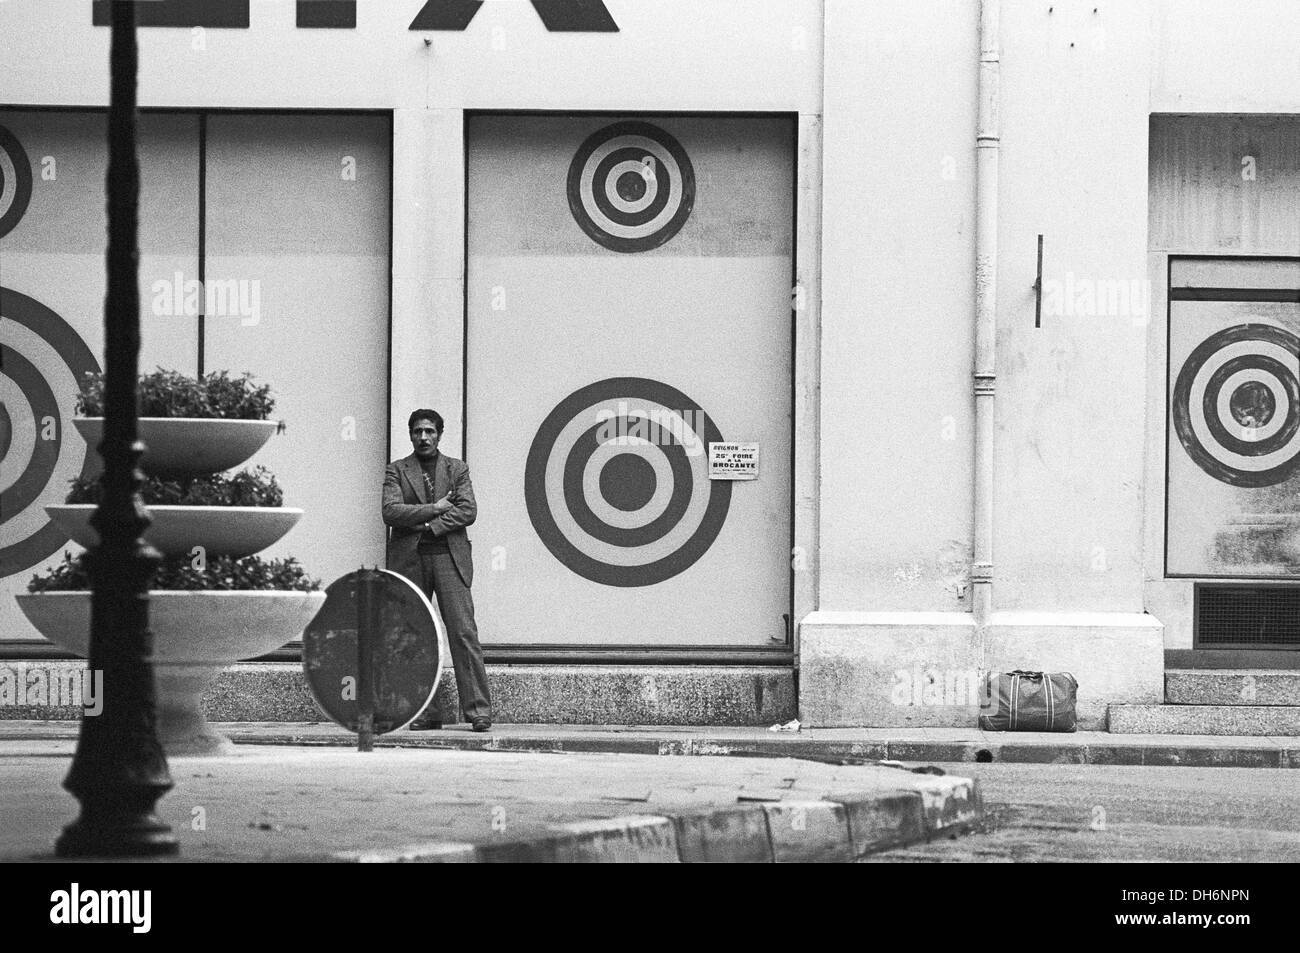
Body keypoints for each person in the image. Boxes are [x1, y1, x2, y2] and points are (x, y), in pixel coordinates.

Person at [382, 409, 492, 731]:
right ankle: (426, 712)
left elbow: (468, 510)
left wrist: (430, 525)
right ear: (411, 434)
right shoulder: (396, 471)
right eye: (418, 431)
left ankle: (478, 711)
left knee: (463, 632)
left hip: (449, 558)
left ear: (440, 434)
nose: (424, 437)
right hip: (410, 561)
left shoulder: (456, 469)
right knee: (414, 637)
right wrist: (436, 507)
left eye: (430, 431)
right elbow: (391, 512)